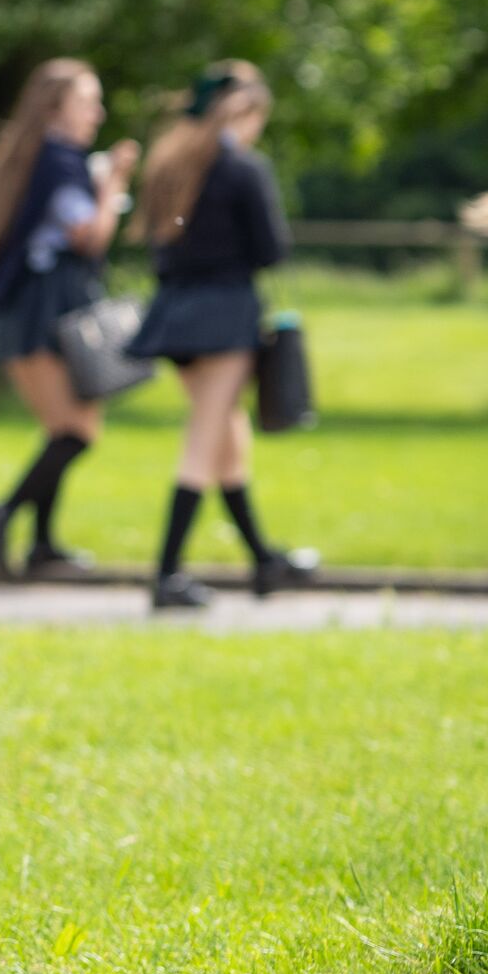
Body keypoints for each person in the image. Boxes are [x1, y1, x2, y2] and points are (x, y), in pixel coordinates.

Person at [126, 60, 318, 611]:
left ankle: (263, 560)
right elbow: (271, 250)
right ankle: (166, 573)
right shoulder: (242, 167)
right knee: (206, 438)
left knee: (229, 439)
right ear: (246, 113)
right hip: (224, 316)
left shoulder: (171, 161)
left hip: (175, 313)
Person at [0, 59, 138, 578]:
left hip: (28, 307)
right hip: (40, 310)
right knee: (77, 429)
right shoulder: (58, 162)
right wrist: (115, 184)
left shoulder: (33, 158)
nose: (98, 112)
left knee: (61, 427)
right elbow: (89, 234)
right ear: (54, 107)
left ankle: (42, 544)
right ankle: (4, 512)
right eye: (88, 101)